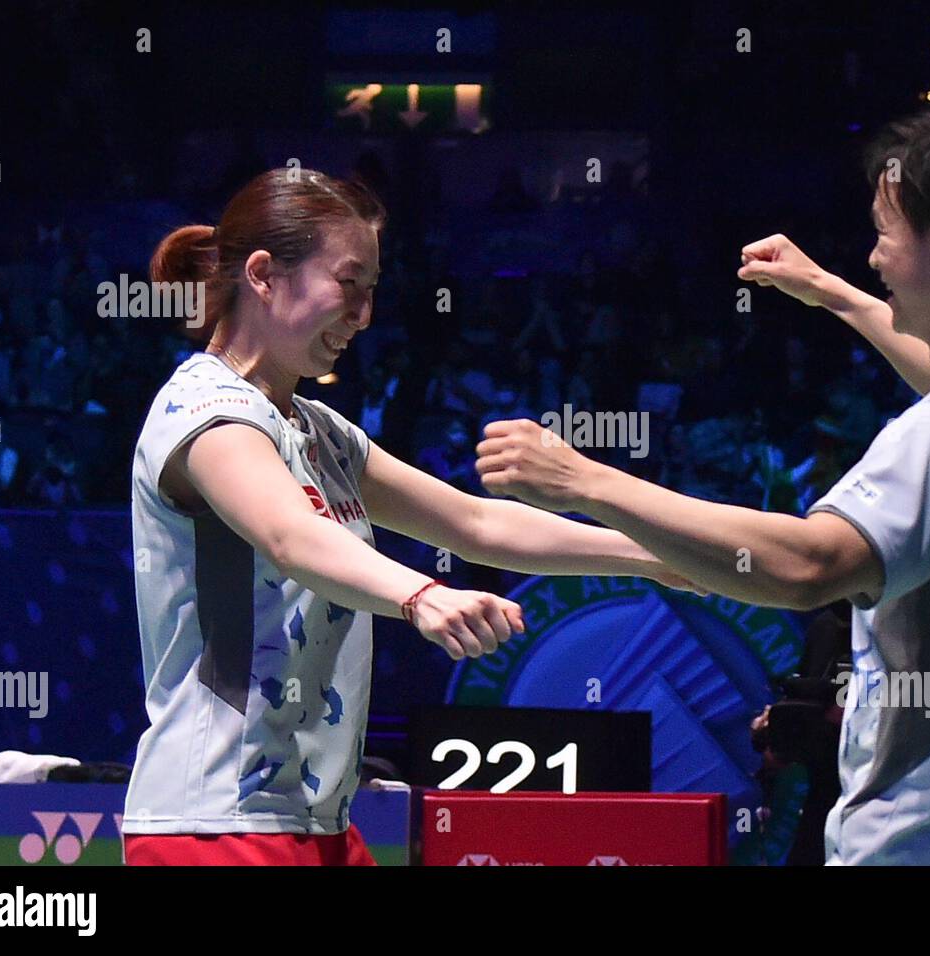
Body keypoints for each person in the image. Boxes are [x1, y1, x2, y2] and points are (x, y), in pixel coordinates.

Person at [477, 93, 930, 865]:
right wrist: (831, 292)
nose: (874, 258)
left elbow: (809, 565)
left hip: (929, 850)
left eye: (884, 236)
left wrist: (584, 479)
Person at [123, 167, 691, 866]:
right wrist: (418, 594)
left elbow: (478, 526)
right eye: (348, 284)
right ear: (265, 275)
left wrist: (656, 557)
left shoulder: (322, 433)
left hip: (321, 823)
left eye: (371, 293)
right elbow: (291, 536)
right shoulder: (203, 415)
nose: (363, 315)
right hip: (213, 824)